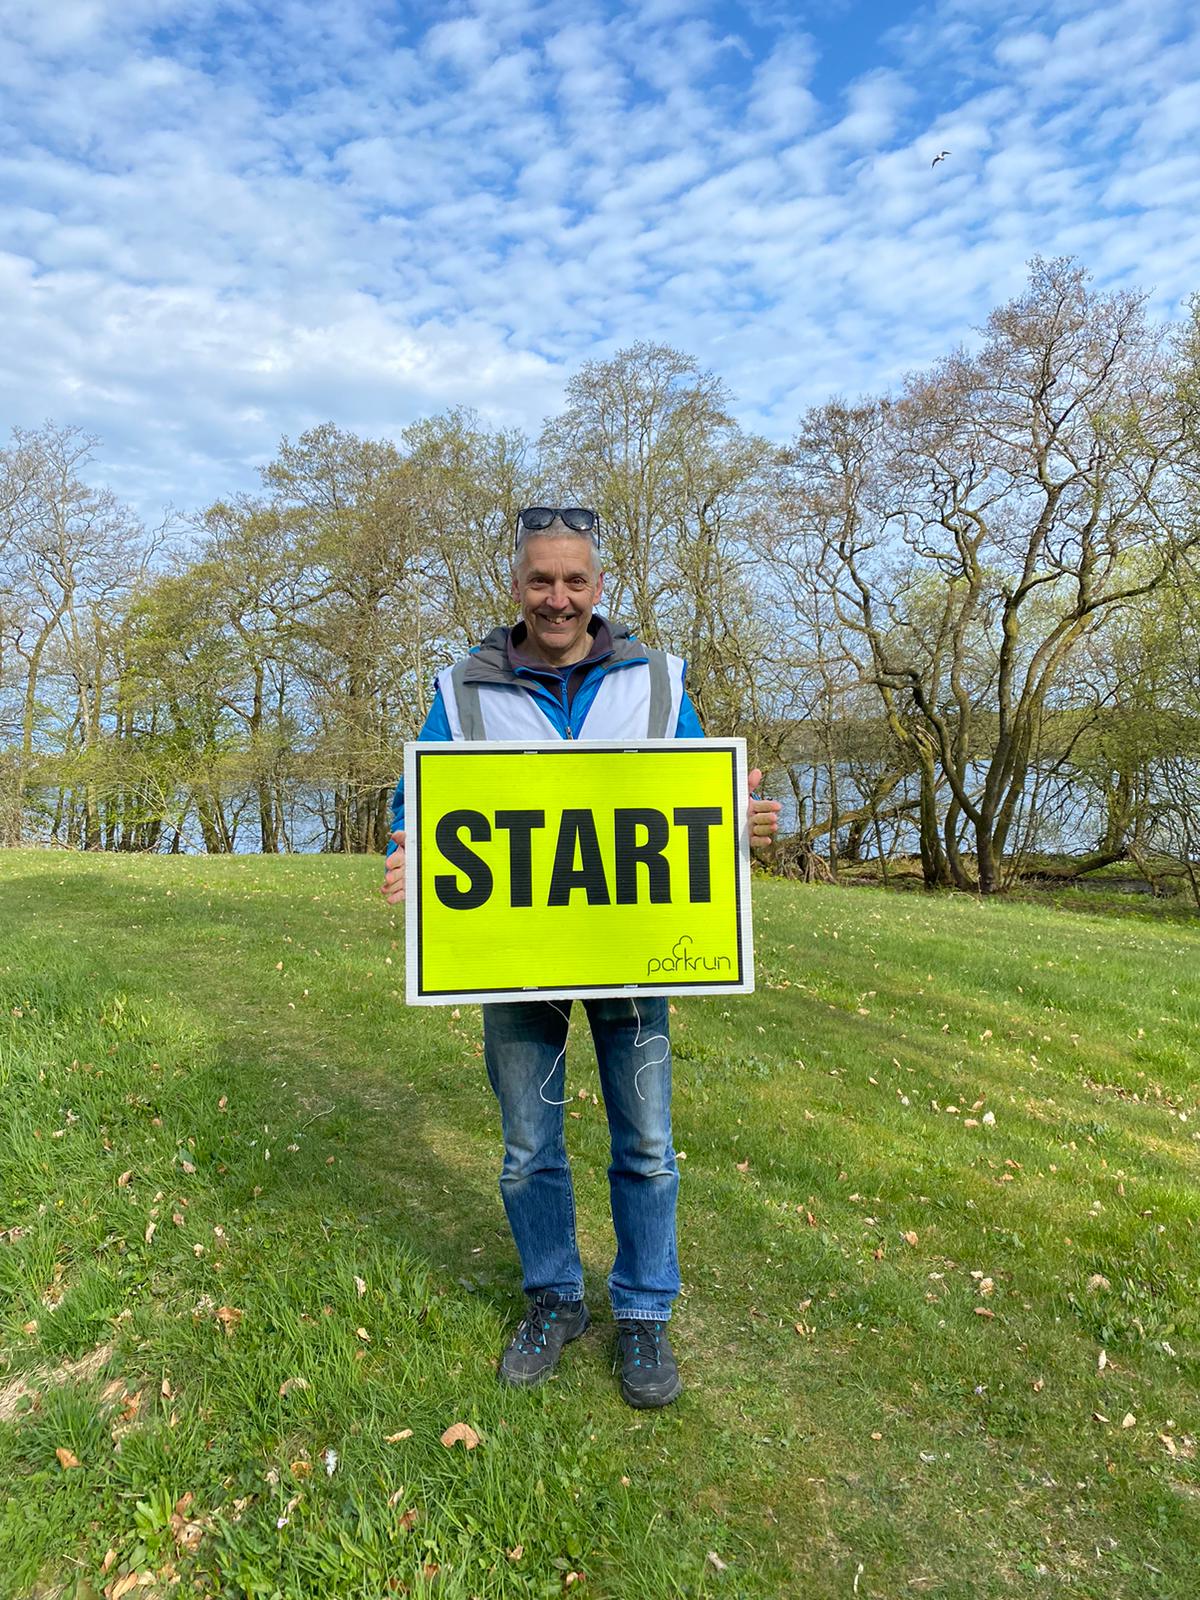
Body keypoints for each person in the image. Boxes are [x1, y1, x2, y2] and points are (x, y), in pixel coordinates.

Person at [381, 507, 780, 1408]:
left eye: (574, 581)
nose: (557, 598)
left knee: (647, 1143)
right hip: (512, 954)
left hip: (636, 954)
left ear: (601, 588)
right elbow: (423, 807)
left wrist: (745, 830)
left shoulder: (659, 680)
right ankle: (555, 1300)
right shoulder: (463, 690)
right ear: (515, 585)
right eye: (539, 580)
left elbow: (699, 807)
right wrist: (408, 853)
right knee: (529, 1147)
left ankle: (643, 1313)